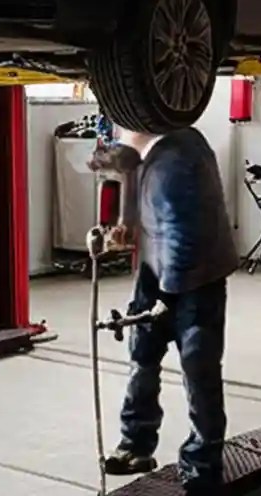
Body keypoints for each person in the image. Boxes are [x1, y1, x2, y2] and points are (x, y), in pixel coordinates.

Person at [103, 125, 239, 494]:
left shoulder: (178, 161)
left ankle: (202, 463)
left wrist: (165, 299)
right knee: (142, 356)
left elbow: (183, 233)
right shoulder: (142, 152)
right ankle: (135, 444)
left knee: (199, 366)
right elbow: (131, 182)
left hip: (197, 274)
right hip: (156, 267)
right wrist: (124, 226)